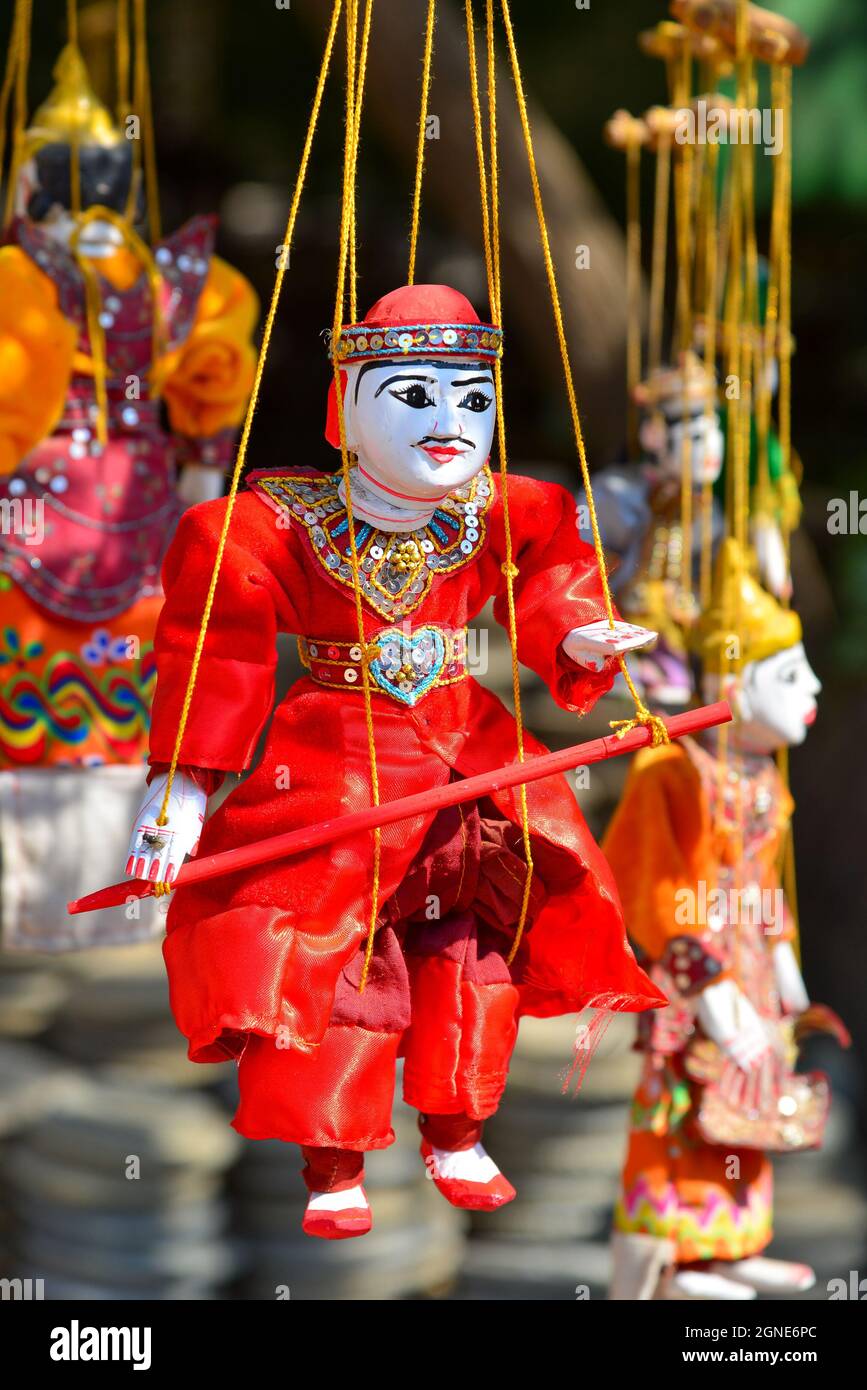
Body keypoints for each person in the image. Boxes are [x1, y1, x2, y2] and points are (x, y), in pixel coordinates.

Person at [126, 282, 666, 1239]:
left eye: (472, 398)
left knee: (472, 941)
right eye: (413, 394)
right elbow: (219, 653)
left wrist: (575, 636)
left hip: (469, 756)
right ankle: (332, 1155)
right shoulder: (271, 524)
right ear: (347, 403)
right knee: (330, 956)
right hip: (334, 761)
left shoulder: (503, 509)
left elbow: (552, 571)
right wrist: (177, 794)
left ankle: (455, 1123)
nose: (452, 423)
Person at [0, 45, 258, 950]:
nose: (93, 211)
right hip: (24, 502)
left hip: (138, 512)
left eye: (106, 187)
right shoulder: (19, 277)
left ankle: (125, 886)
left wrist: (200, 485)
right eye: (73, 188)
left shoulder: (176, 287)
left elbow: (205, 401)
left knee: (142, 685)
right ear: (35, 187)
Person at [606, 540, 824, 1299]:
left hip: (753, 966)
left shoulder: (761, 774)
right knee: (683, 1102)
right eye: (790, 675)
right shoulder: (674, 767)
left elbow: (765, 877)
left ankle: (730, 1241)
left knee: (747, 1103)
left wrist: (785, 960)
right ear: (732, 679)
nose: (814, 686)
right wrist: (709, 987)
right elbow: (647, 881)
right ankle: (669, 1252)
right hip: (698, 965)